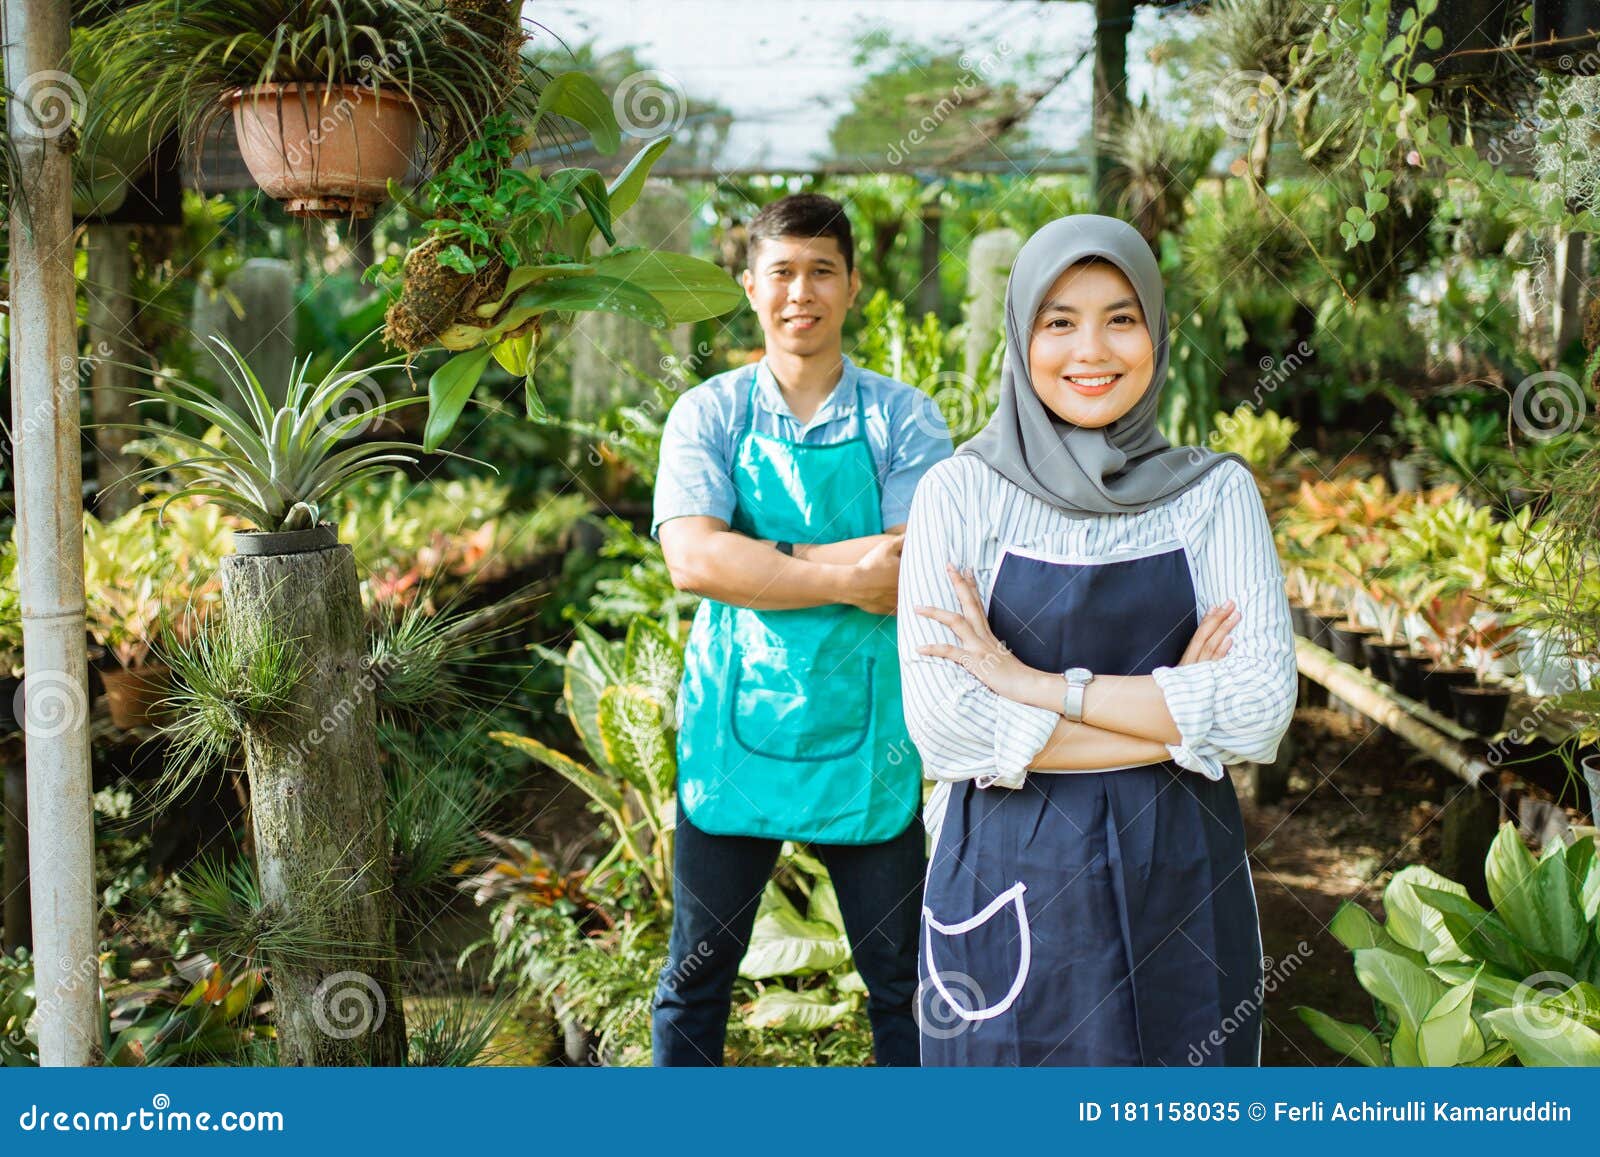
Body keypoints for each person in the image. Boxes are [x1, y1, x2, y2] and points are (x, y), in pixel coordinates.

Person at [897, 213, 1298, 1067]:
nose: (1093, 349)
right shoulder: (960, 494)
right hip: (1008, 873)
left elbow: (1260, 713)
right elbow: (943, 726)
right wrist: (1172, 719)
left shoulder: (1214, 494)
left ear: (1155, 329)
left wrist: (1033, 683)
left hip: (1181, 872)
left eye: (1121, 318)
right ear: (1021, 333)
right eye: (1059, 321)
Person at [650, 192, 953, 1066]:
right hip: (735, 730)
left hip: (868, 735)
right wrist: (839, 577)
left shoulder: (904, 416)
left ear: (853, 285)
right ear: (750, 286)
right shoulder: (710, 413)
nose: (801, 292)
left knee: (903, 983)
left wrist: (763, 556)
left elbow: (909, 564)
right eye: (782, 271)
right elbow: (696, 562)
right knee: (695, 981)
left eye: (822, 270)